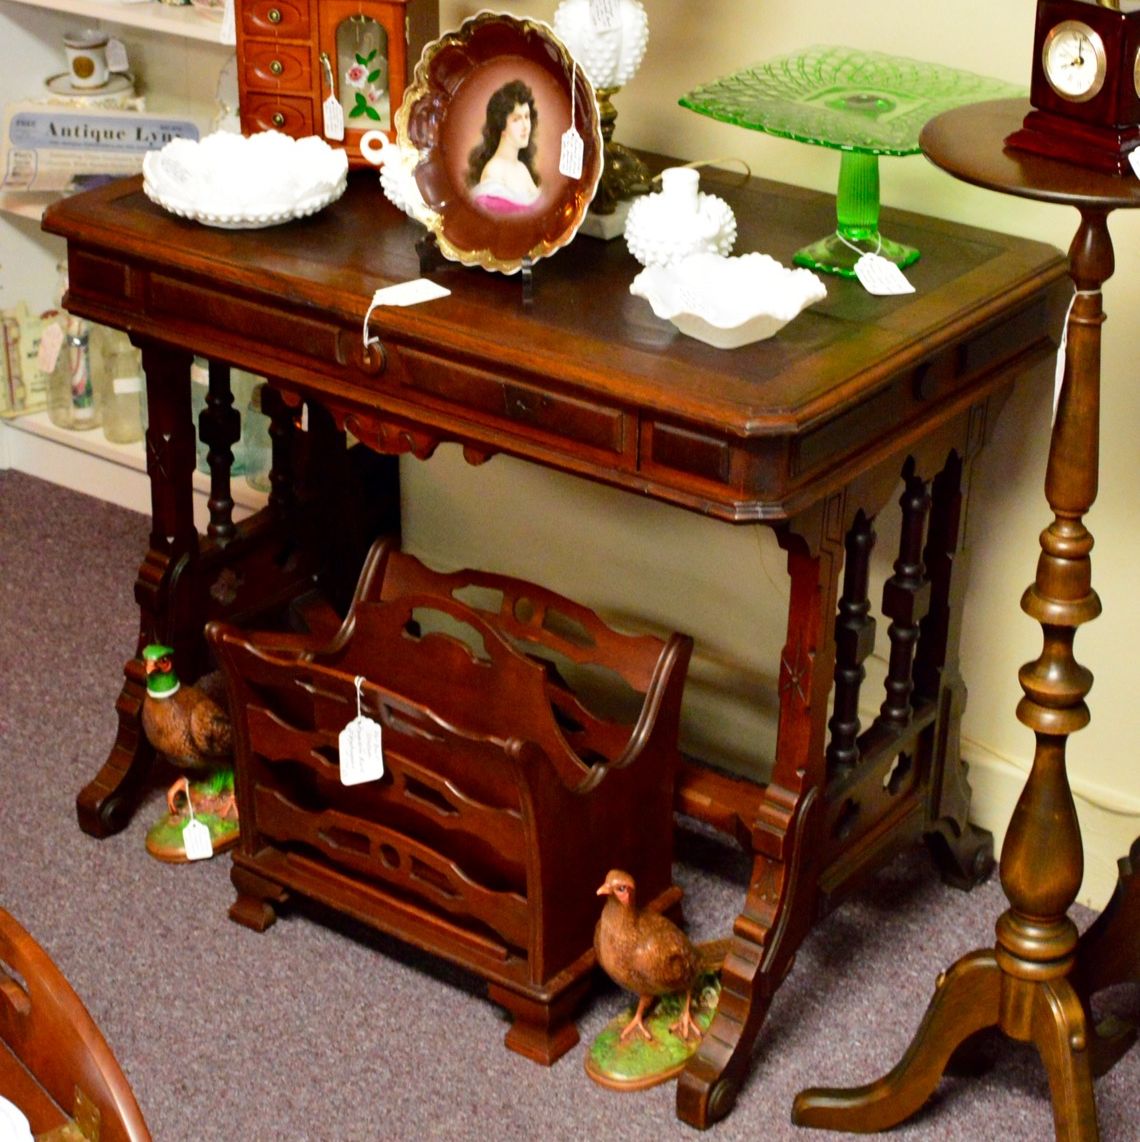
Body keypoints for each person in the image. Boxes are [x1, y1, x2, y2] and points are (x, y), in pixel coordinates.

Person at [467, 80, 541, 214]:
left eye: (527, 117)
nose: (525, 126)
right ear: (501, 126)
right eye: (516, 119)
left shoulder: (521, 168)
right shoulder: (493, 171)